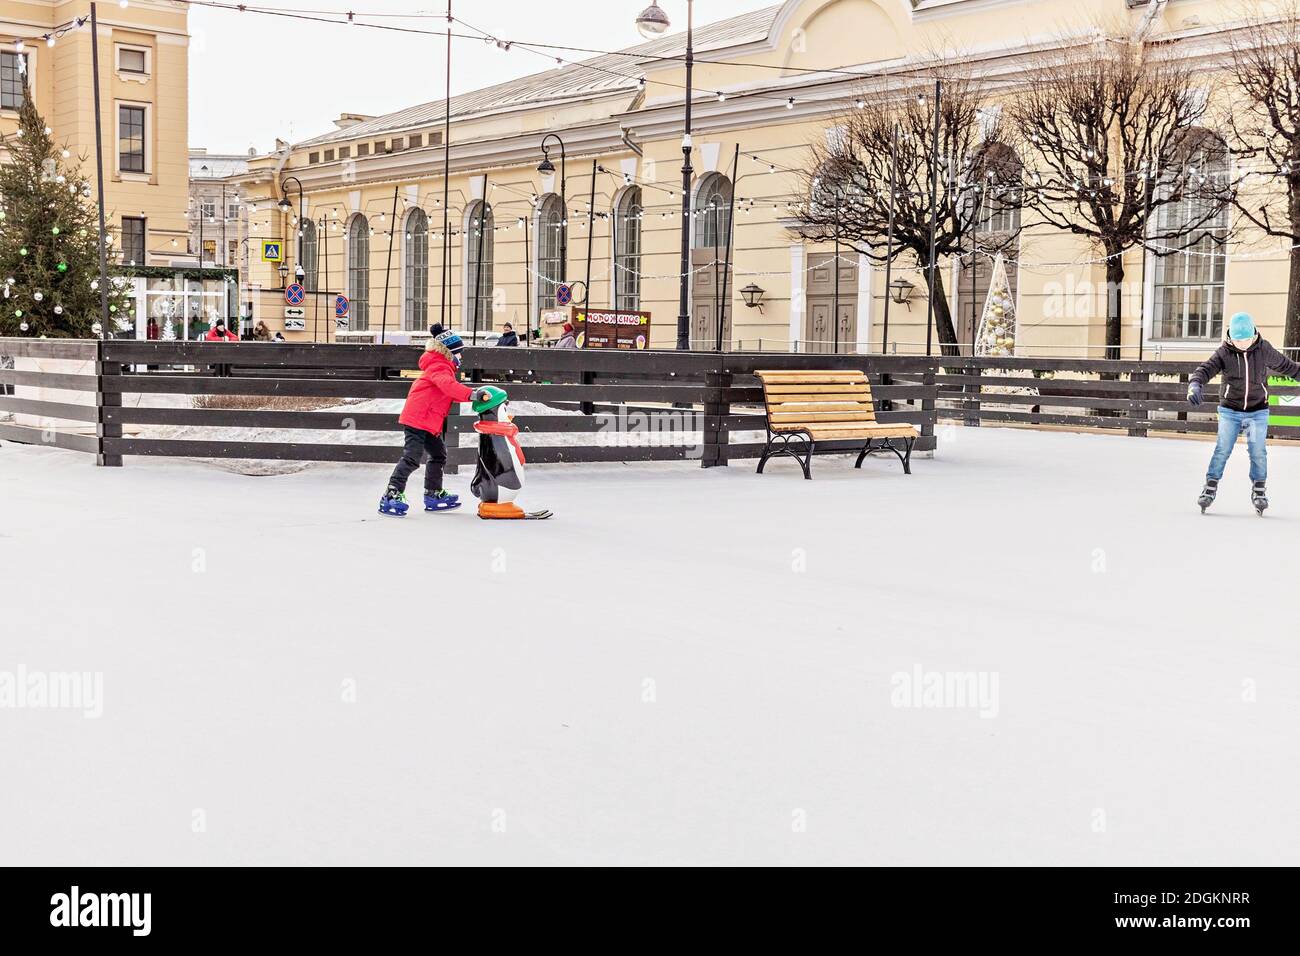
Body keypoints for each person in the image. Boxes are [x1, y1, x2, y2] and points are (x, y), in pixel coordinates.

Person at [1188, 311, 1300, 514]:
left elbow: (1288, 366)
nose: (1243, 344)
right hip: (1230, 410)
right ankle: (1210, 487)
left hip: (1258, 411)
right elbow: (1204, 370)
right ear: (1231, 337)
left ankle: (1259, 490)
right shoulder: (1224, 352)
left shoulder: (1263, 349)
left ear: (1254, 335)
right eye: (1239, 340)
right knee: (1223, 449)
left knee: (1258, 451)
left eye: (1247, 339)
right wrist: (1195, 385)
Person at [378, 329, 483, 517]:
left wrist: (471, 397)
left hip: (427, 422)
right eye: (458, 353)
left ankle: (433, 493)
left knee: (438, 454)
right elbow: (448, 386)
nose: (461, 357)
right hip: (417, 419)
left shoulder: (442, 367)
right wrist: (471, 394)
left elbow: (448, 392)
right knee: (412, 457)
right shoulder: (439, 367)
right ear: (449, 352)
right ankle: (391, 493)